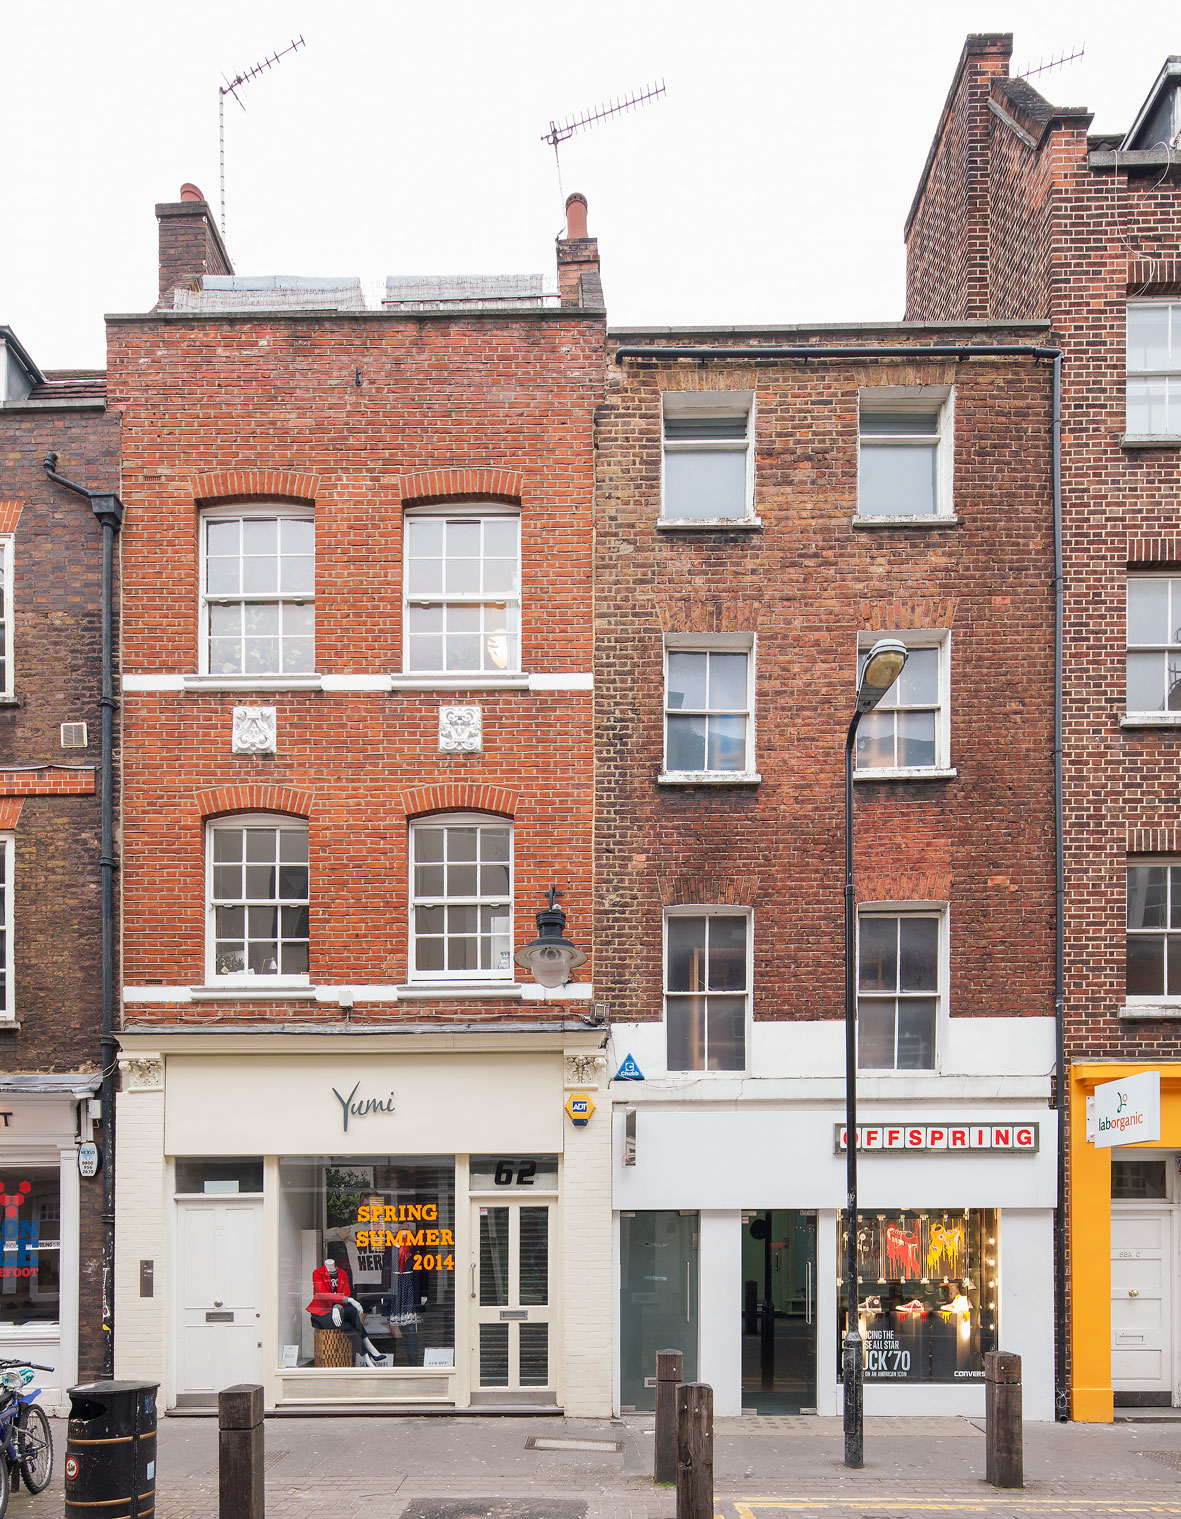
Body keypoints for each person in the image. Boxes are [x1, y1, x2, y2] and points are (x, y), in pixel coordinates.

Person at [306, 1256, 385, 1366]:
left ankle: (367, 1358)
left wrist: (337, 1307)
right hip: (321, 1315)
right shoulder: (317, 1273)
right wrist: (349, 1300)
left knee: (347, 1326)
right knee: (352, 1310)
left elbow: (346, 1292)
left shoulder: (342, 1273)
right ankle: (371, 1348)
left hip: (338, 1313)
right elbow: (322, 1294)